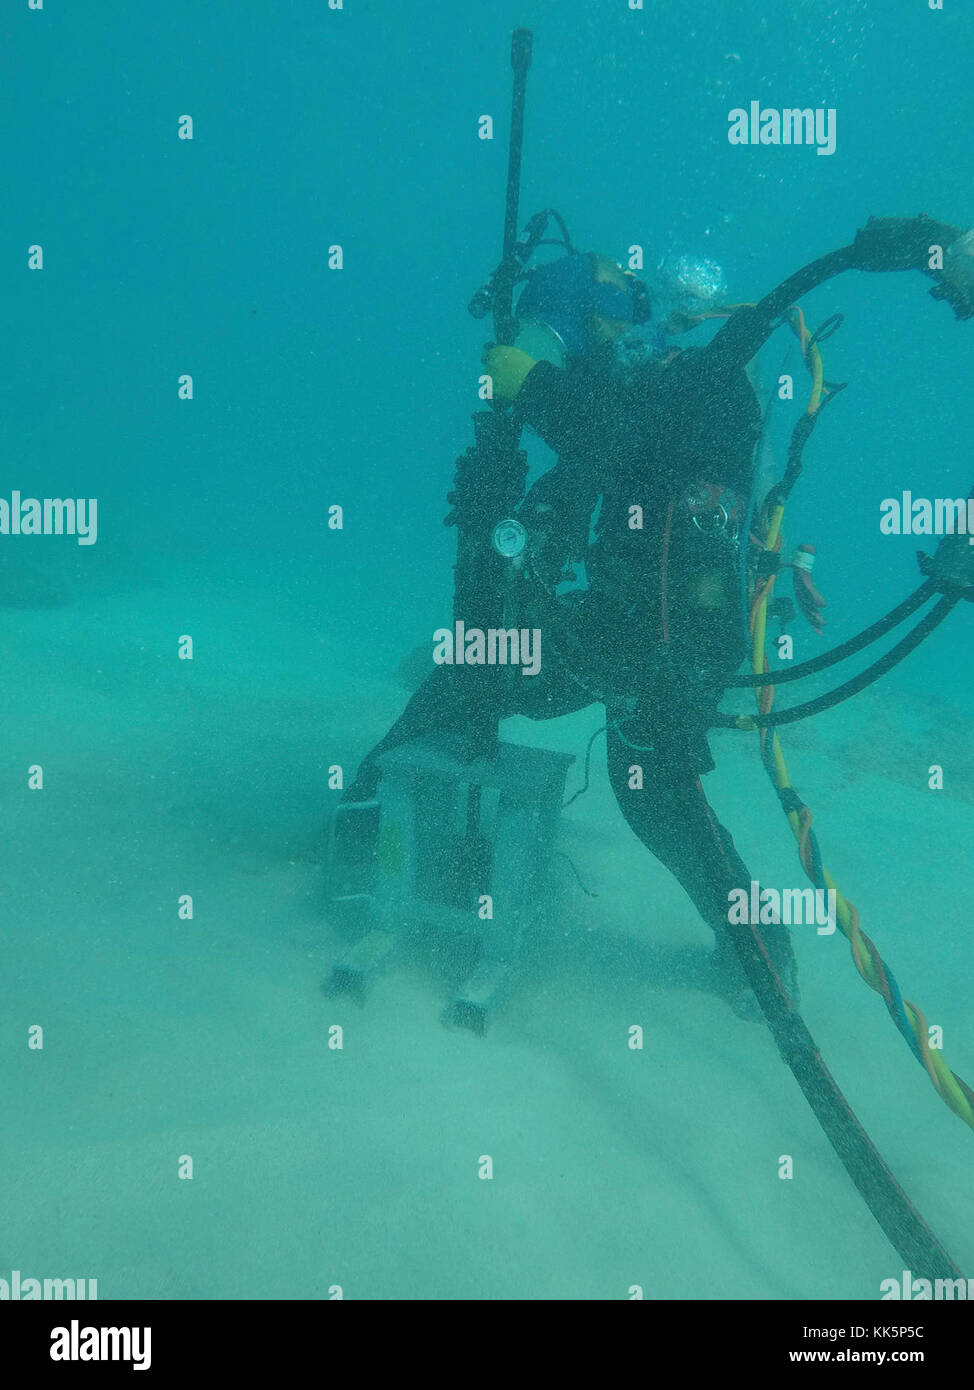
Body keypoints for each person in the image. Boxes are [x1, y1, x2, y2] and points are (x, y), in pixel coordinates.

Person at [342, 214, 974, 1015]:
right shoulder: (649, 390)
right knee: (482, 674)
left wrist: (531, 384)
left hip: (677, 641)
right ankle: (362, 823)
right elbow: (587, 468)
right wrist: (513, 518)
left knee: (655, 794)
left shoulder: (712, 383)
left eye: (604, 329)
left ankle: (762, 965)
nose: (629, 344)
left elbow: (625, 432)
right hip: (615, 622)